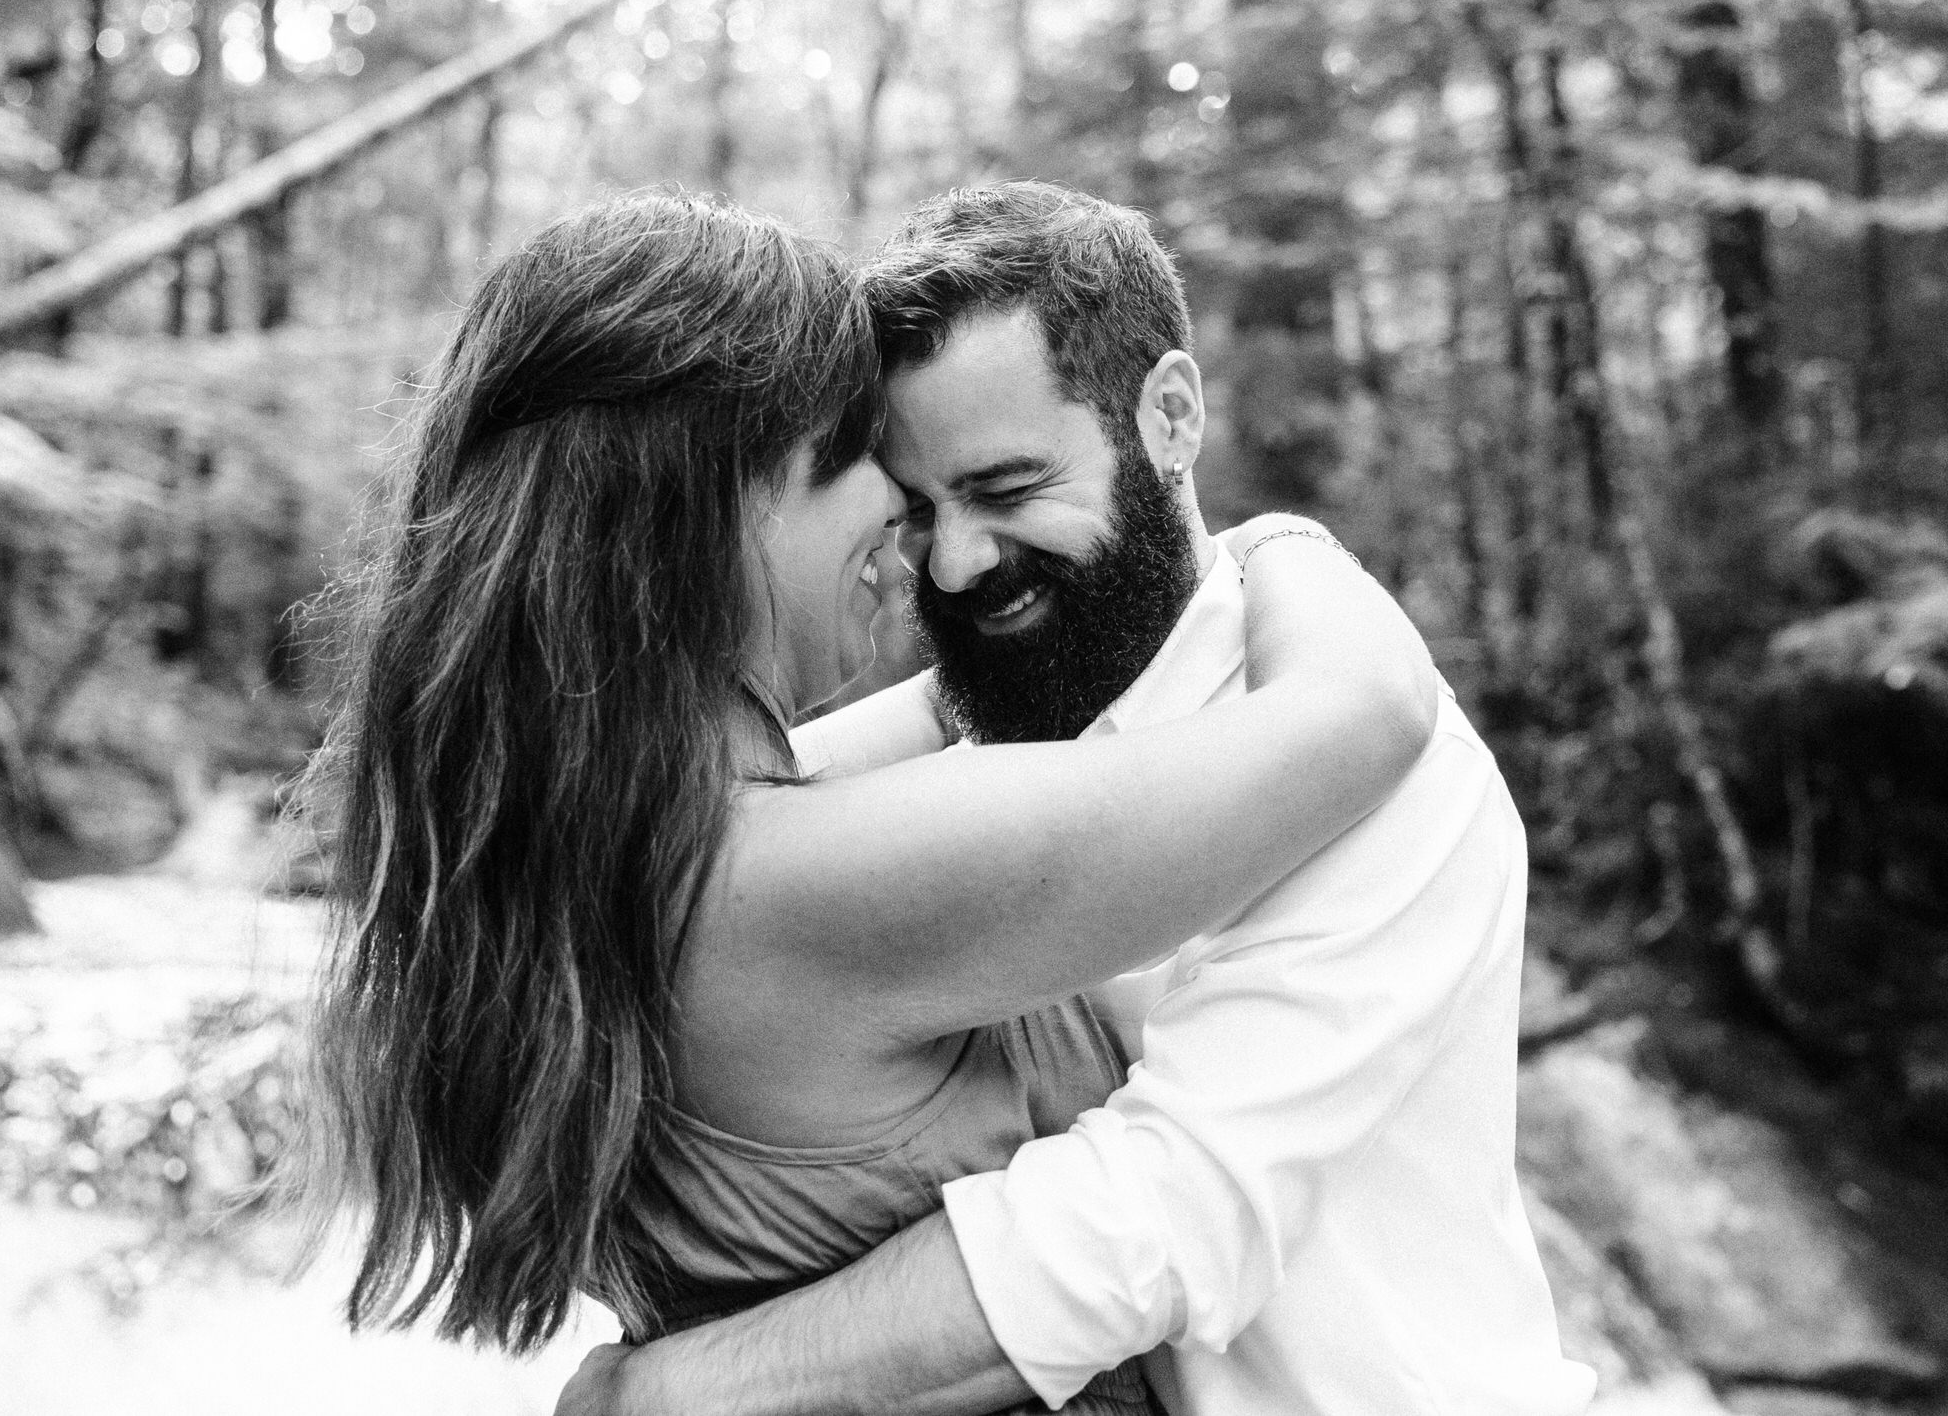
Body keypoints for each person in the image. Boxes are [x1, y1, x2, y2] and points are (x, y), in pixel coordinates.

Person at [291, 188, 1441, 1412]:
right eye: (852, 460)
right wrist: (1280, 544)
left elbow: (968, 710)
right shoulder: (814, 879)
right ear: (716, 503)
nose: (902, 519)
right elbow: (1366, 712)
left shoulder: (575, 854)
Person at [557, 184, 1598, 1416]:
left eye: (1006, 489)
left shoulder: (1373, 772)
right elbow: (735, 830)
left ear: (1167, 415)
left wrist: (673, 1396)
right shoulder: (985, 722)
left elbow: (1157, 1217)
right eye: (920, 507)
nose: (952, 562)